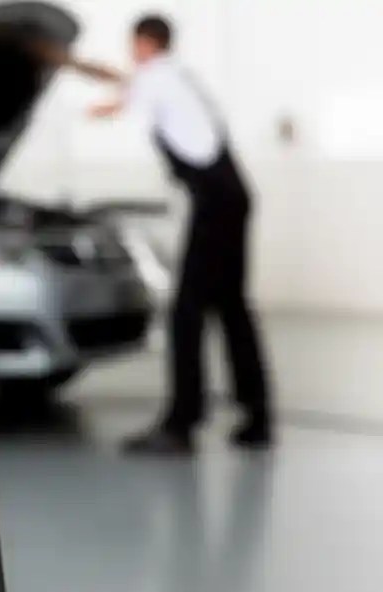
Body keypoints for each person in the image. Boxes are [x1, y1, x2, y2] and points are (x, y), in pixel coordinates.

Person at [41, 15, 272, 453]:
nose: (132, 54)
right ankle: (258, 417)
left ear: (145, 43)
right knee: (231, 307)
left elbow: (114, 100)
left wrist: (76, 109)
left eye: (133, 45)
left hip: (216, 203)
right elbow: (122, 79)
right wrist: (69, 63)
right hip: (234, 197)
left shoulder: (155, 79)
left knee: (187, 311)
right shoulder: (172, 76)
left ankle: (181, 425)